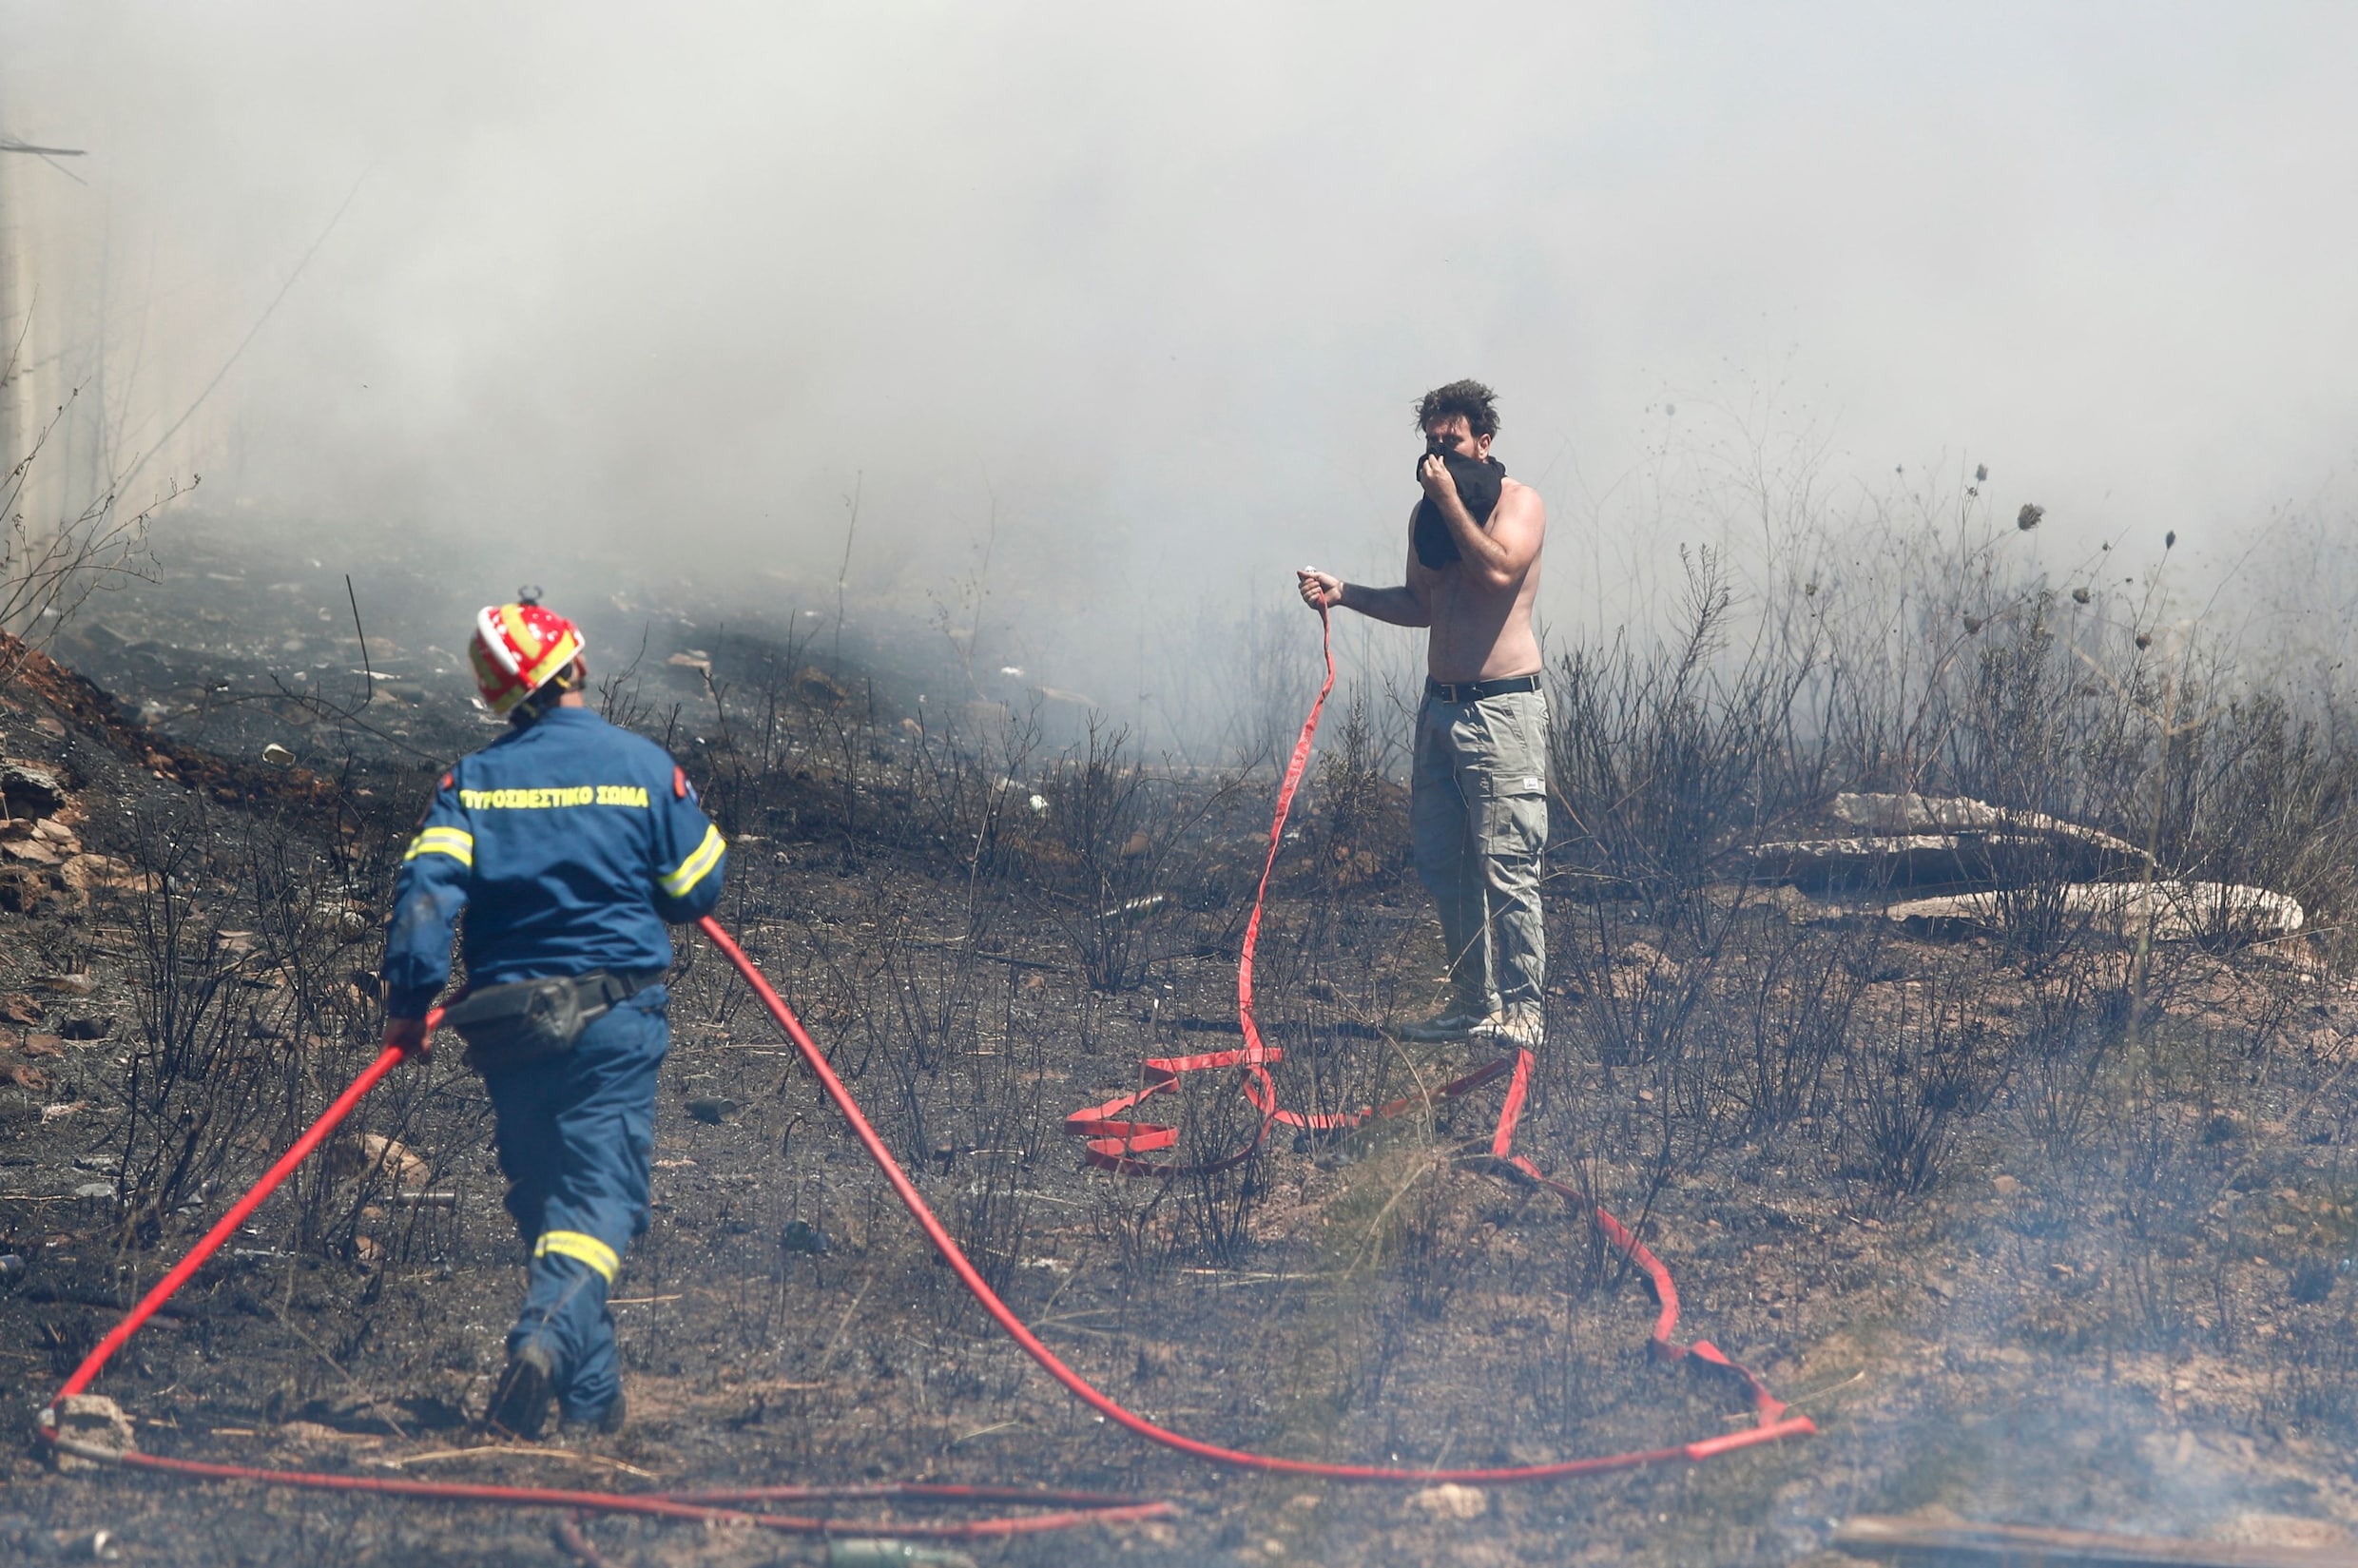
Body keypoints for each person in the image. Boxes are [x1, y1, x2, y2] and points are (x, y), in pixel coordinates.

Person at [379, 596, 727, 1439]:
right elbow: (696, 892)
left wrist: (409, 1003)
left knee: (546, 1199)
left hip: (506, 1026)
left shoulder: (470, 783)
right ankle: (540, 1341)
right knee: (599, 1202)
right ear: (574, 665)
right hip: (613, 1018)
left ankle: (591, 1398)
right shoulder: (645, 766)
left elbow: (426, 896)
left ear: (499, 695)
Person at [1297, 378, 1548, 1050]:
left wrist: (1446, 501)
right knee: (1446, 864)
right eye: (1432, 443)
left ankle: (1524, 1010)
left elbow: (1496, 572)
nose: (1440, 454)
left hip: (1502, 711)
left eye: (1454, 440)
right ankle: (1472, 1003)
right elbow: (1421, 602)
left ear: (1484, 441)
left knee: (1507, 862)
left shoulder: (1520, 505)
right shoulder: (1427, 517)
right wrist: (1343, 593)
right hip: (1440, 710)